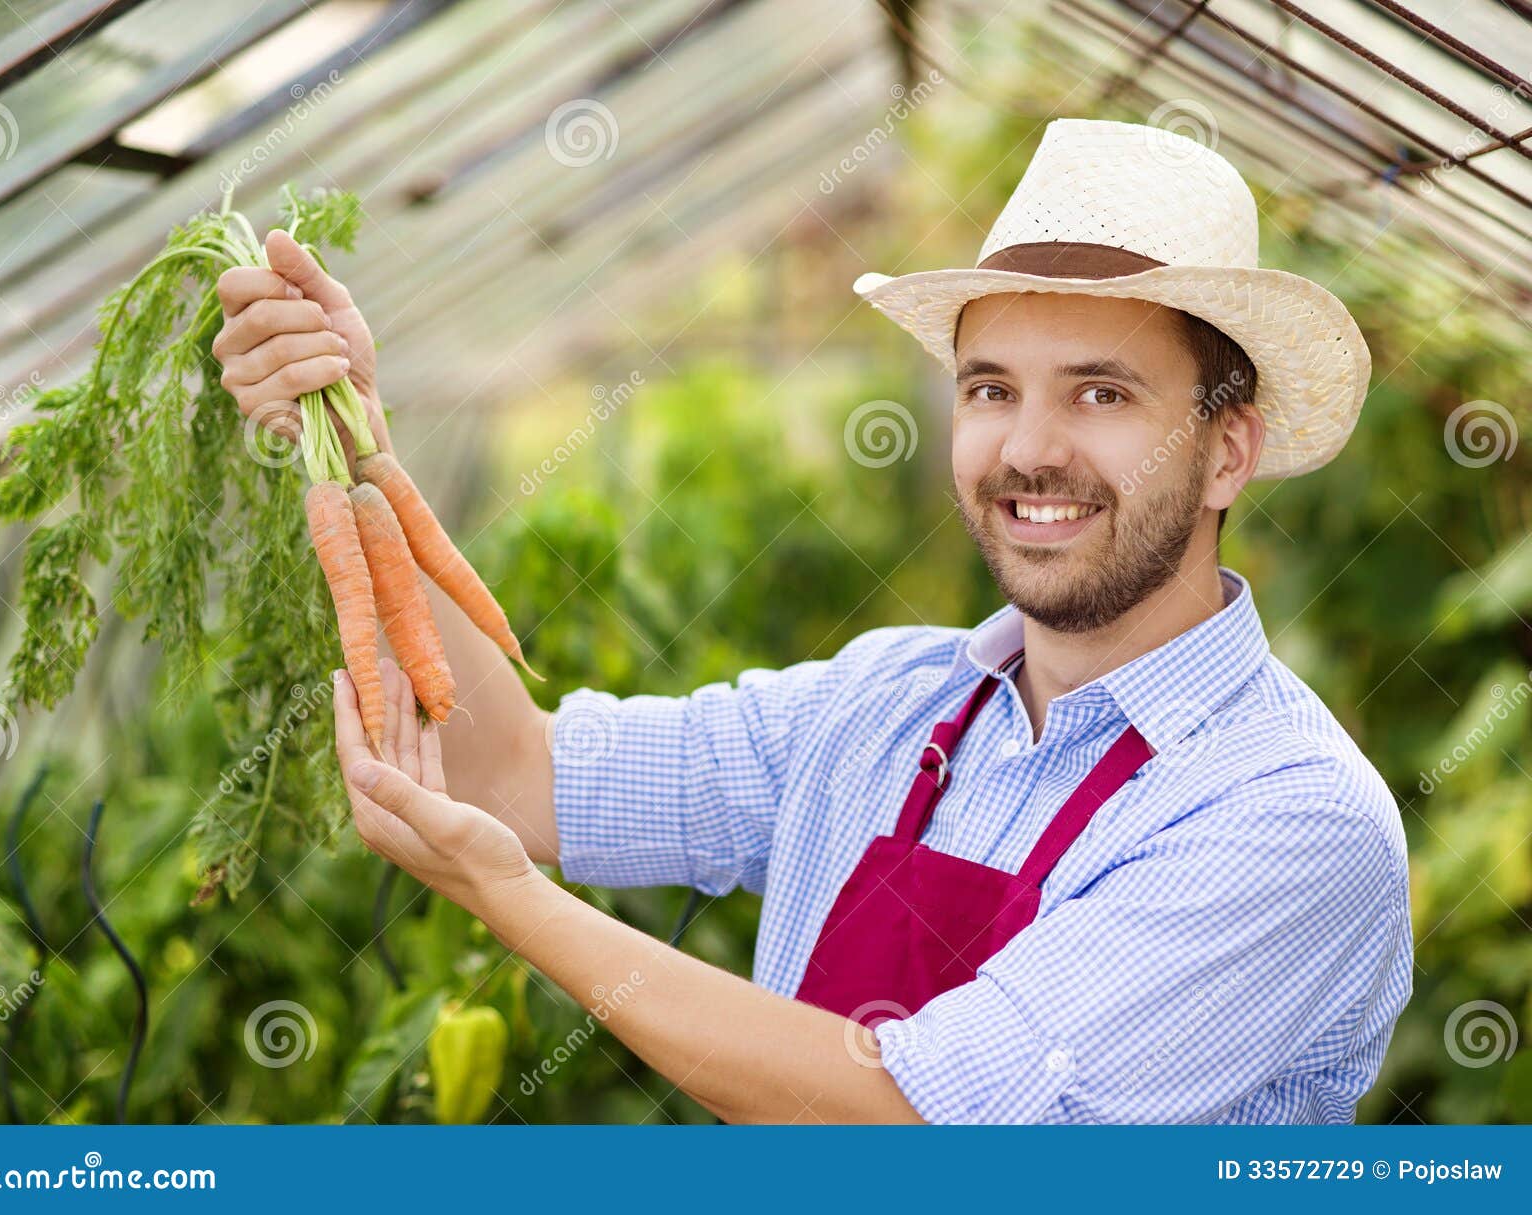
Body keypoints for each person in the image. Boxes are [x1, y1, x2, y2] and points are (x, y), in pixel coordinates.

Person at [214, 118, 1412, 1124]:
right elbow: (513, 776)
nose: (1030, 450)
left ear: (1226, 450)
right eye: (991, 389)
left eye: (1101, 393)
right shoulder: (882, 703)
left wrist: (511, 902)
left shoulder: (1286, 811)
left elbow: (911, 1126)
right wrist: (358, 443)